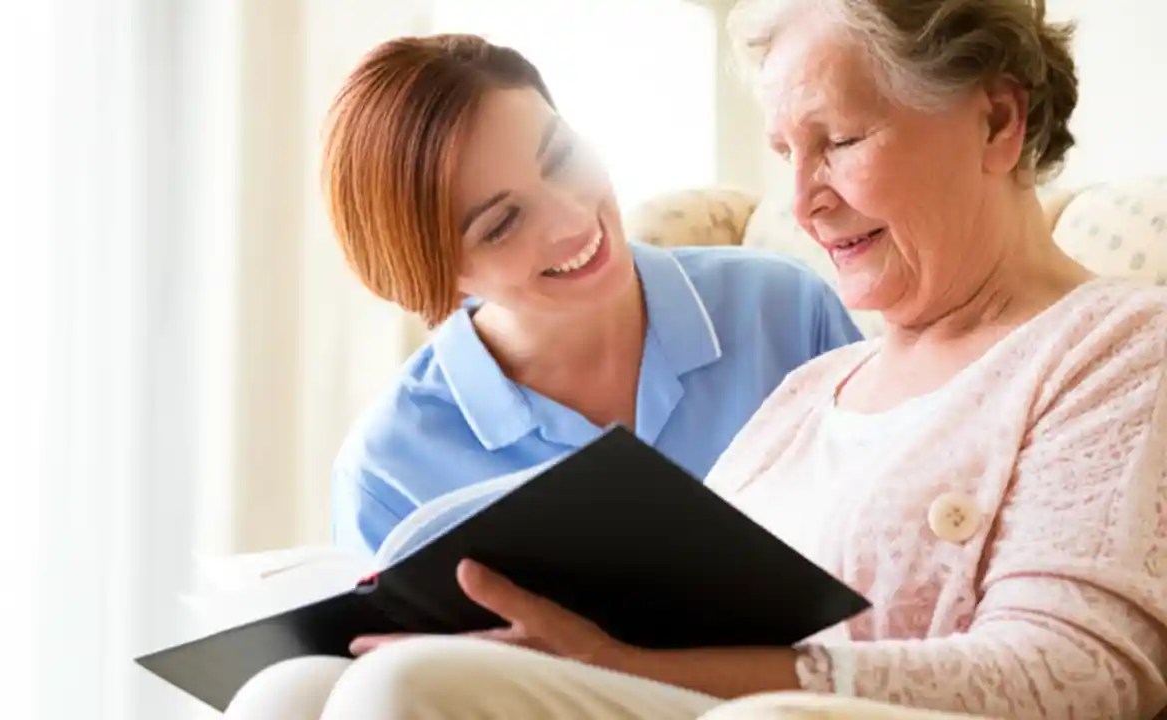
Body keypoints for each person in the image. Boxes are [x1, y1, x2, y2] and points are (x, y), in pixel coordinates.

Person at [226, 1, 1167, 717]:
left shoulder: (1113, 345)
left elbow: (1078, 673)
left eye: (839, 142)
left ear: (999, 123)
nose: (803, 204)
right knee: (287, 694)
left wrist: (635, 668)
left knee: (404, 692)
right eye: (784, 154)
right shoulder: (813, 392)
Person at [323, 34, 862, 556]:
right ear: (439, 275)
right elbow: (398, 653)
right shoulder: (389, 471)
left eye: (558, 157)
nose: (573, 218)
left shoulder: (784, 312)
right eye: (503, 223)